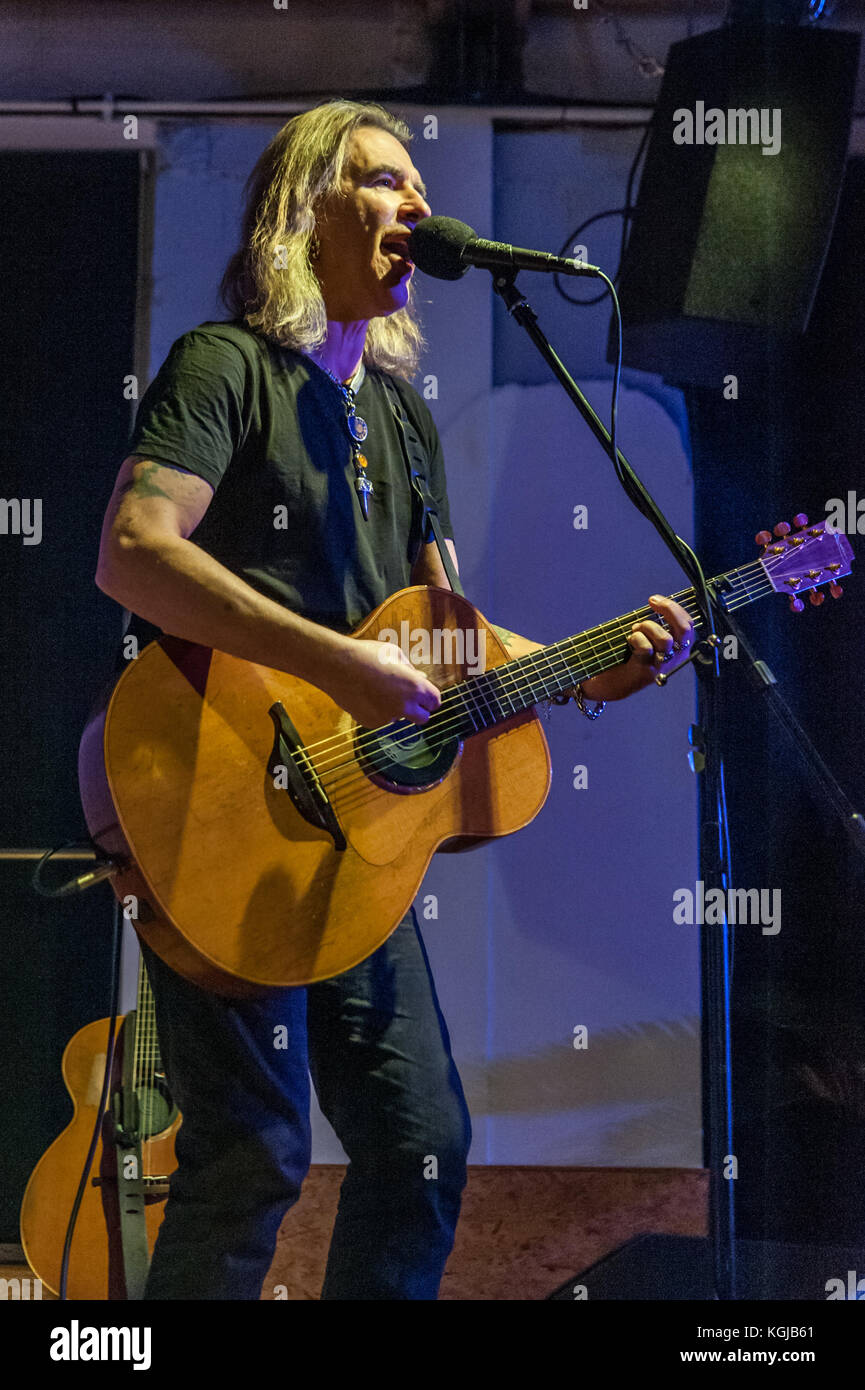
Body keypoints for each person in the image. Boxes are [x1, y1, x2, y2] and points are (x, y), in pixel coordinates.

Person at [94, 98, 695, 1300]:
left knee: (424, 1148)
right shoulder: (227, 368)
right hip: (227, 801)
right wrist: (336, 663)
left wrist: (590, 667)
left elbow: (448, 643)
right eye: (382, 181)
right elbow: (132, 550)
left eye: (419, 185)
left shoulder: (404, 422)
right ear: (297, 210)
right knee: (251, 1159)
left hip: (356, 847)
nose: (417, 204)